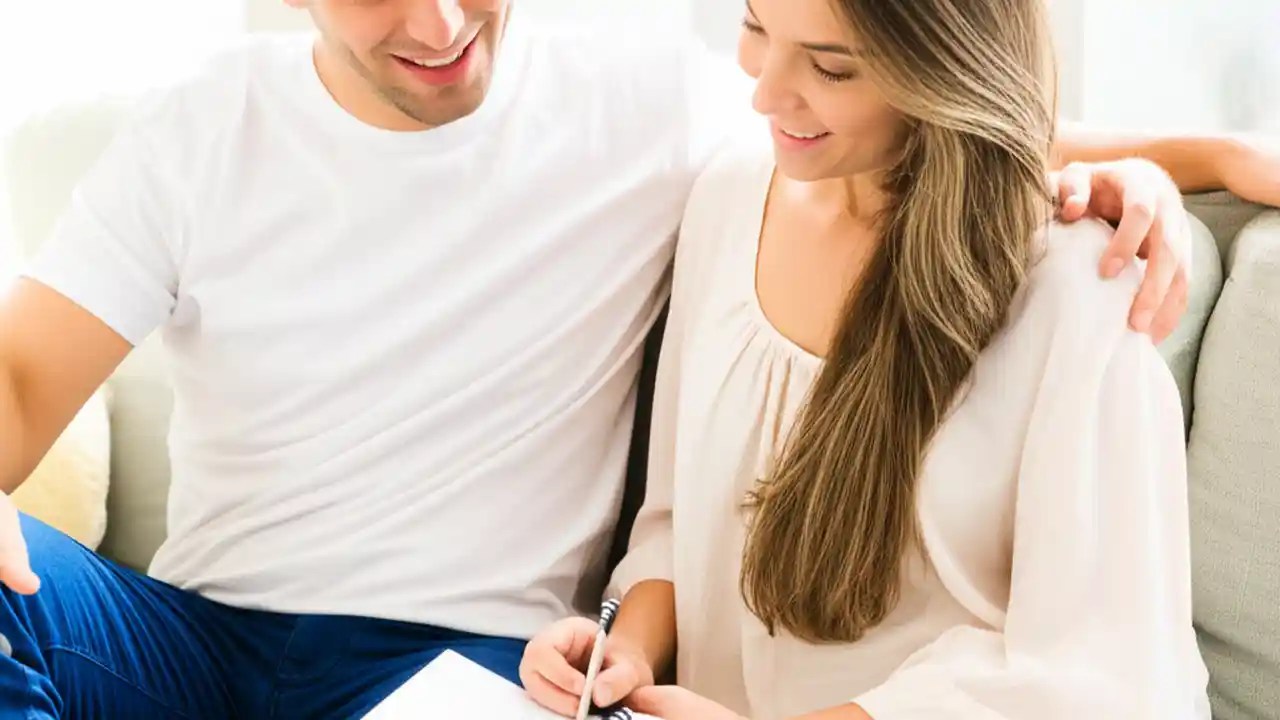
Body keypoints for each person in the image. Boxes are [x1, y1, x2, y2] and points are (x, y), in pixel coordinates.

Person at [0, 0, 1269, 718]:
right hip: (188, 635)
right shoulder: (196, 129)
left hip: (459, 667)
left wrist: (1191, 162)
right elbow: (16, 385)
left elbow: (916, 105)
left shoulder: (654, 108)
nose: (442, 22)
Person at [519, 0, 1222, 718]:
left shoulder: (1081, 293)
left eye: (831, 67)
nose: (763, 91)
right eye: (757, 26)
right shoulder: (728, 201)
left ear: (944, 69)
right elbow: (674, 527)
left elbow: (1108, 677)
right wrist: (620, 656)